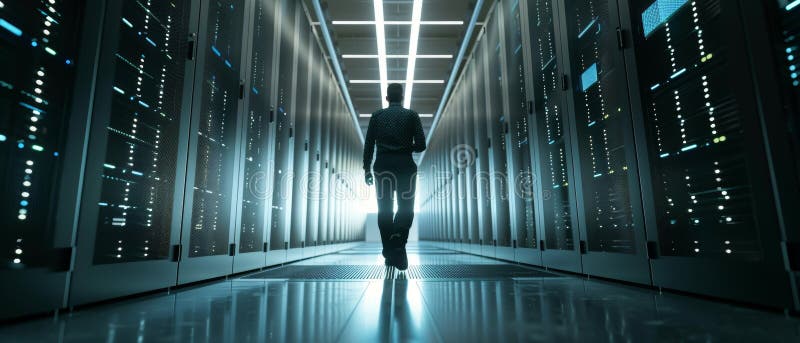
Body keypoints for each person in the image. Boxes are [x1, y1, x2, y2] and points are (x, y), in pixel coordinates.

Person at [363, 83, 426, 270]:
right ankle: (398, 239)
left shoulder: (376, 116)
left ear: (387, 98)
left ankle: (390, 249)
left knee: (384, 209)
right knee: (406, 206)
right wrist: (407, 147)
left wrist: (366, 169)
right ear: (403, 97)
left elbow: (369, 146)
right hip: (405, 165)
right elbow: (421, 145)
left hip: (383, 166)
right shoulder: (412, 115)